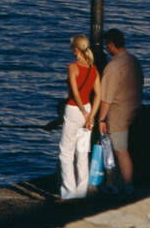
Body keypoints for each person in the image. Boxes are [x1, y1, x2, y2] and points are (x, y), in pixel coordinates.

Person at [98, 28, 143, 196]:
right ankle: (123, 185)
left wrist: (101, 119)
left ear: (111, 44)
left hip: (118, 113)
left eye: (106, 45)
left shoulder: (113, 67)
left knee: (120, 151)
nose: (106, 48)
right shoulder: (133, 61)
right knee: (122, 149)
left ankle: (127, 186)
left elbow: (106, 98)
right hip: (133, 108)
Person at [58, 34, 100, 201]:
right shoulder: (93, 69)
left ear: (75, 49)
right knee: (82, 153)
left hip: (75, 110)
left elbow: (75, 93)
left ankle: (69, 193)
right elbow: (98, 94)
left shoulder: (73, 67)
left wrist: (82, 111)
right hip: (89, 111)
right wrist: (91, 116)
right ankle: (81, 193)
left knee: (65, 153)